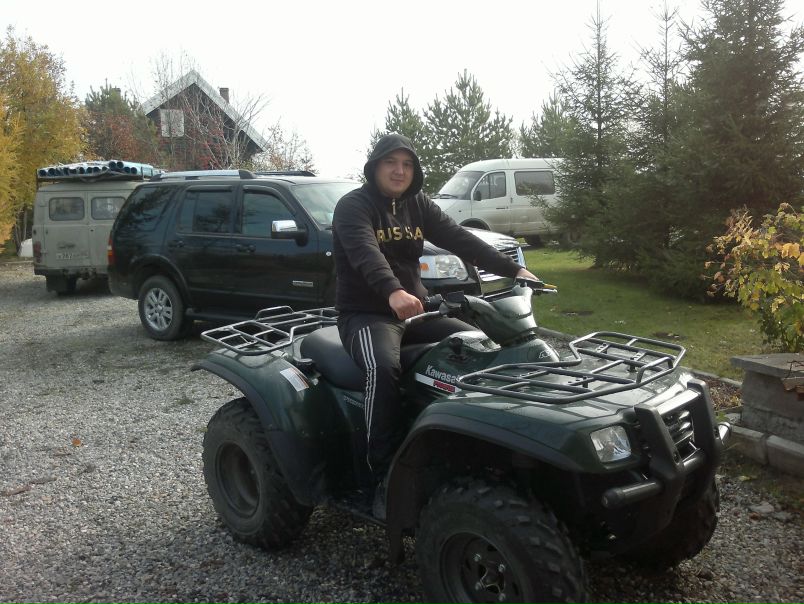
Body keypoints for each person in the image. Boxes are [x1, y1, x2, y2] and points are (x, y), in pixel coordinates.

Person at [332, 133, 539, 518]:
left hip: (417, 310)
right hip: (367, 314)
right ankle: (381, 472)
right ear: (375, 166)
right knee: (383, 368)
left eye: (407, 164)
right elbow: (365, 253)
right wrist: (393, 291)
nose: (399, 170)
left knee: (477, 344)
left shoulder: (418, 204)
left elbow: (461, 239)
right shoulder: (353, 206)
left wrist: (514, 270)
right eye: (391, 162)